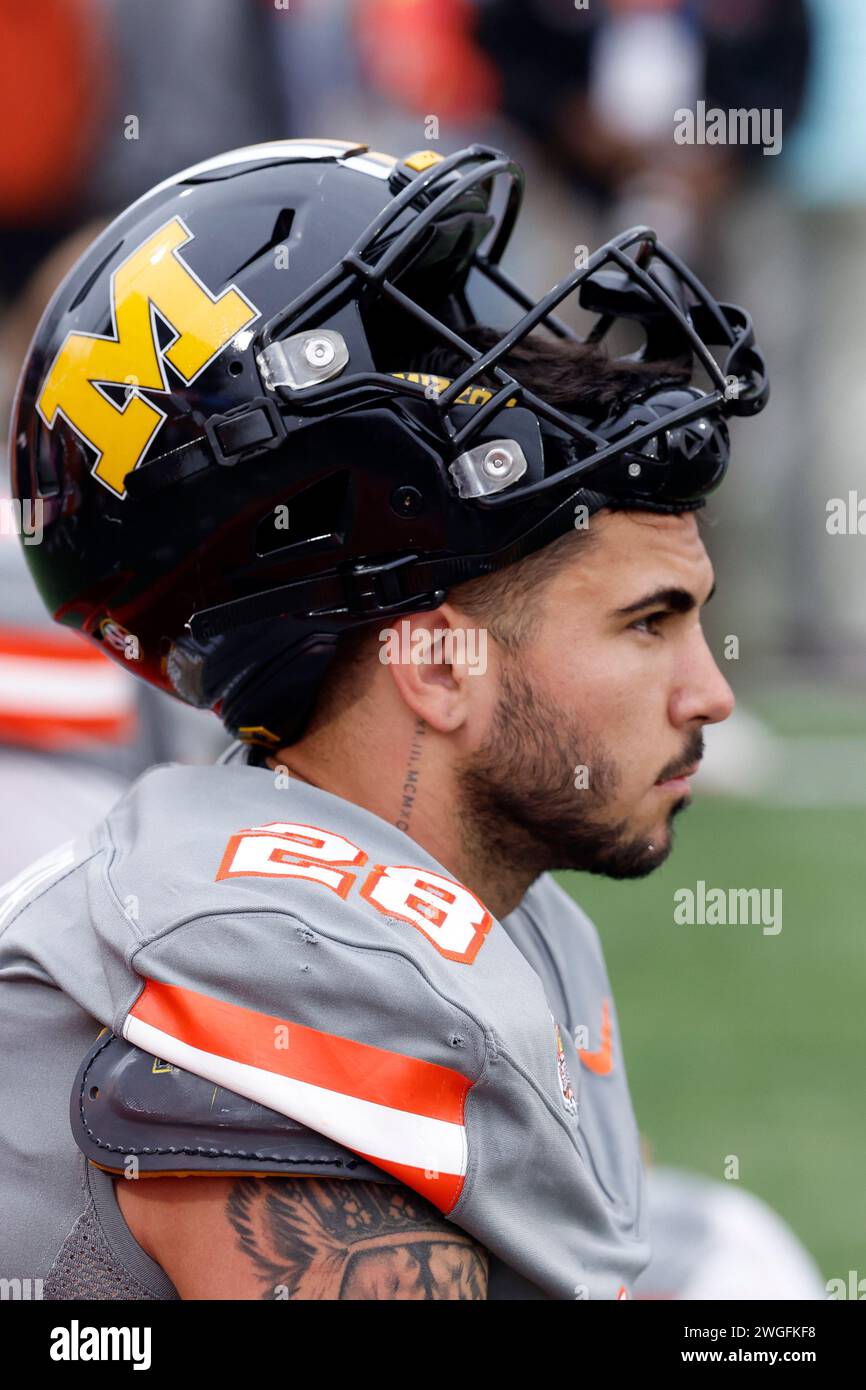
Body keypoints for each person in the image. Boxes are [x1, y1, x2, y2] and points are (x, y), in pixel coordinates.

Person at [1, 139, 767, 1300]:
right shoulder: (281, 954)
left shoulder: (504, 913)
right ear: (437, 666)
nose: (708, 694)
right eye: (644, 622)